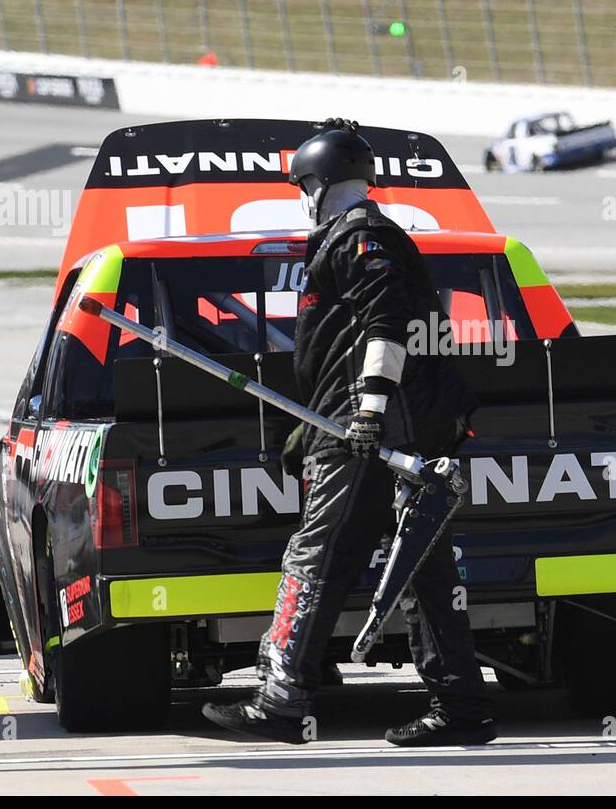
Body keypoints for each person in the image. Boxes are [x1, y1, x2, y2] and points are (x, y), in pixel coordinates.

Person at [202, 119, 496, 746]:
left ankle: (282, 699)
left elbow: (386, 324)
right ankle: (462, 706)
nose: (301, 197)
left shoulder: (361, 237)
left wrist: (365, 411)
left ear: (320, 181)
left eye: (303, 184)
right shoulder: (360, 236)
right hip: (376, 425)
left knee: (318, 553)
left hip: (373, 429)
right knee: (421, 566)